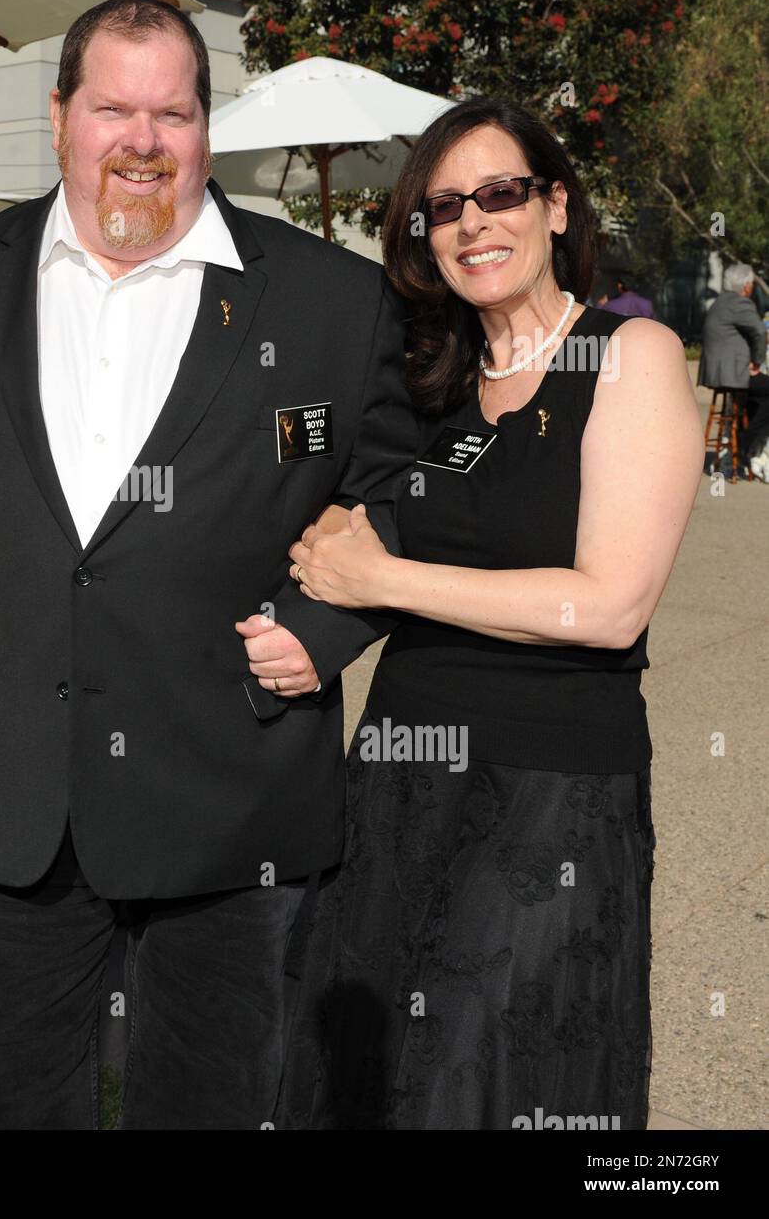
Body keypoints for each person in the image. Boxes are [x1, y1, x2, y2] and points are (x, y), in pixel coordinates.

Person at [0, 0, 418, 1130]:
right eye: (113, 108)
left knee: (215, 1108)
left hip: (233, 797)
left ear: (205, 127)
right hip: (8, 801)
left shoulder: (331, 300)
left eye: (171, 112)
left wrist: (326, 627)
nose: (141, 138)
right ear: (59, 117)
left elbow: (403, 489)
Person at [288, 96, 703, 1129]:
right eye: (443, 207)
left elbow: (609, 604)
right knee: (357, 1069)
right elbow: (326, 515)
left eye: (500, 194)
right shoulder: (431, 386)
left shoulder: (625, 356)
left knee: (482, 1075)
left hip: (552, 783)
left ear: (554, 207)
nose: (473, 222)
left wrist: (379, 581)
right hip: (397, 774)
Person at [698, 263, 766, 479]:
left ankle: (740, 441)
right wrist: (756, 362)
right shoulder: (740, 303)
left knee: (758, 398)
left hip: (715, 372)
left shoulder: (720, 302)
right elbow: (758, 332)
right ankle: (745, 448)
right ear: (746, 286)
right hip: (732, 374)